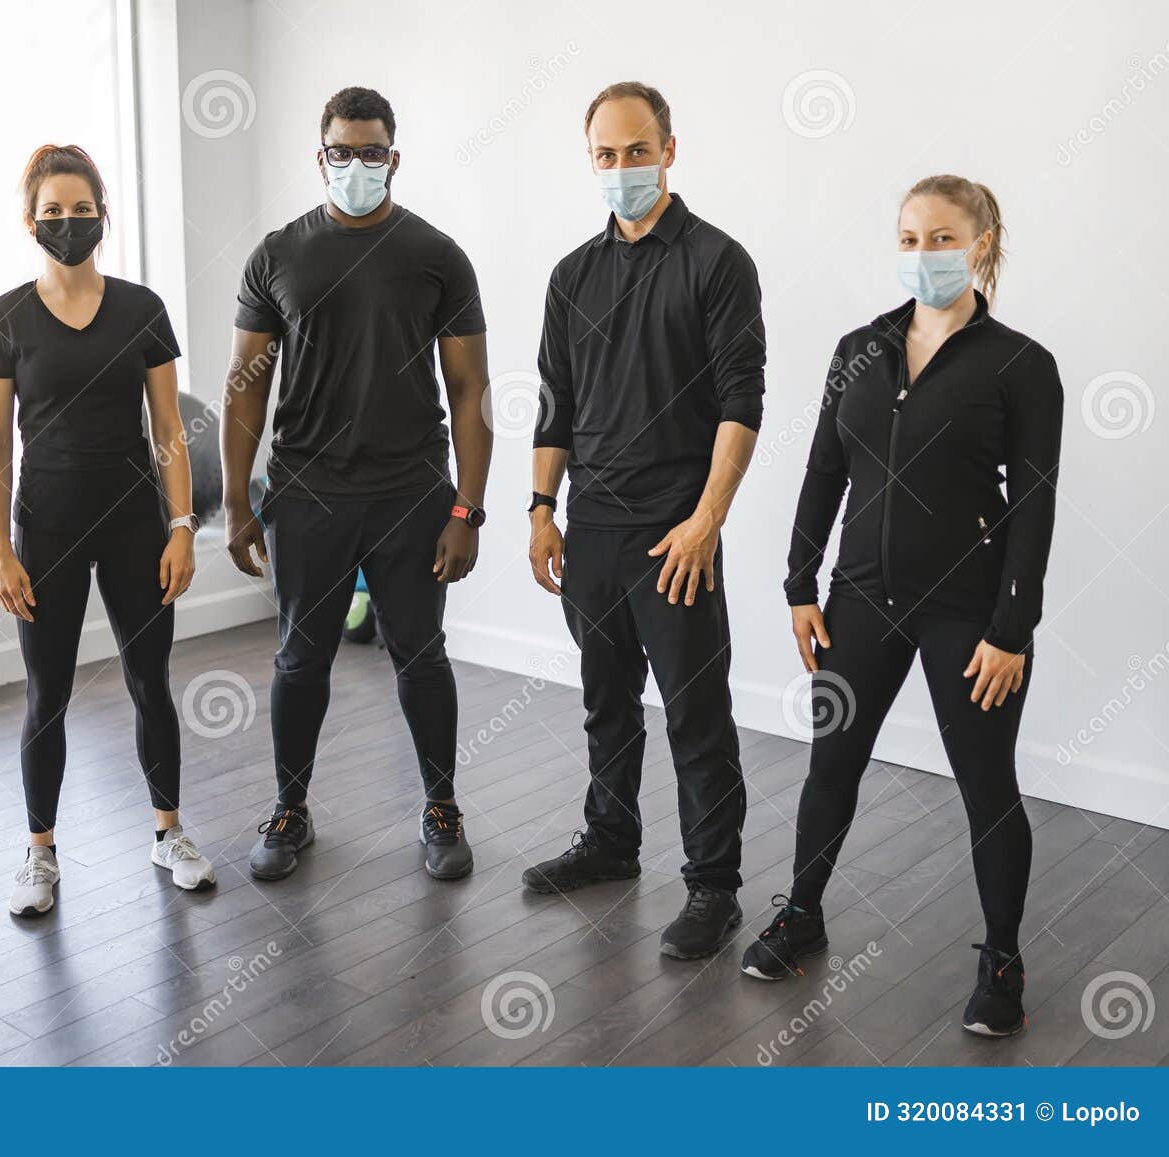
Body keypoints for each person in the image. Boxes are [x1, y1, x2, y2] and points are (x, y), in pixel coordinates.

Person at [743, 175, 1062, 1038]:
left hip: (969, 613)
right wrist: (799, 584)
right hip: (858, 604)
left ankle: (1002, 960)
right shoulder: (860, 347)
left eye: (943, 238)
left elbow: (1035, 507)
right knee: (831, 766)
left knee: (987, 788)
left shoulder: (1022, 366)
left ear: (983, 243)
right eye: (911, 238)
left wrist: (1010, 630)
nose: (924, 254)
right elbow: (822, 470)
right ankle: (801, 913)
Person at [221, 86, 493, 882]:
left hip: (411, 490)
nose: (356, 164)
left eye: (371, 151)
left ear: (393, 158)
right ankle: (290, 808)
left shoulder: (436, 256)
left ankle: (441, 807)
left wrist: (467, 507)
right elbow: (245, 383)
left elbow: (472, 389)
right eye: (342, 151)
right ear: (321, 157)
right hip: (306, 491)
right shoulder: (278, 255)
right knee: (300, 660)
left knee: (420, 655)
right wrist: (239, 499)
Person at [525, 82, 765, 960]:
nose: (622, 167)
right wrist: (542, 508)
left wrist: (707, 520)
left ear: (670, 148)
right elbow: (554, 405)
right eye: (606, 155)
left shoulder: (716, 261)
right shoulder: (572, 275)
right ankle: (611, 842)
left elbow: (744, 402)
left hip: (676, 533)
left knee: (696, 714)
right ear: (590, 160)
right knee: (605, 702)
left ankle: (714, 887)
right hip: (590, 528)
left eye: (637, 150)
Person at [0, 144, 213, 916]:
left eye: (82, 211)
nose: (68, 223)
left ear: (103, 217)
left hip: (135, 526)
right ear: (30, 221)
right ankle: (40, 852)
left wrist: (182, 528)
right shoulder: (3, 318)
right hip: (45, 530)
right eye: (53, 212)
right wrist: (3, 549)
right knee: (48, 693)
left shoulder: (141, 309)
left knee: (151, 682)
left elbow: (168, 427)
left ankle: (168, 831)